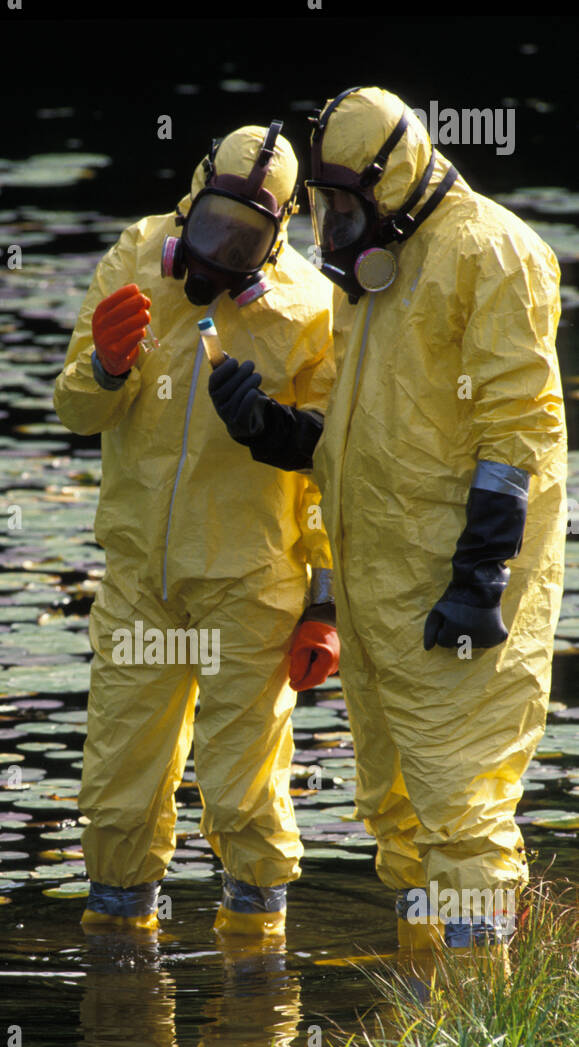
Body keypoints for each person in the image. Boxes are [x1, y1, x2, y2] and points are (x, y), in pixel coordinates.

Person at [206, 87, 567, 952]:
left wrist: (479, 579)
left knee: (461, 809)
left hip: (461, 592)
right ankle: (426, 1018)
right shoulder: (376, 272)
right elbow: (357, 438)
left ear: (389, 177)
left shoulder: (491, 253)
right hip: (382, 593)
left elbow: (518, 428)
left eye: (341, 202)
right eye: (322, 204)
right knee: (399, 815)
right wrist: (268, 429)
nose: (329, 223)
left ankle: (481, 1018)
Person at [54, 122, 339, 937]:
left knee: (243, 788)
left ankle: (257, 969)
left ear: (280, 232)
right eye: (210, 226)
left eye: (243, 239)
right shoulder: (139, 254)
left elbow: (331, 468)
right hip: (143, 580)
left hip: (249, 585)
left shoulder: (311, 308)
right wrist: (104, 369)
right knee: (119, 784)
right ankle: (118, 978)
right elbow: (74, 410)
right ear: (190, 200)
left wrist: (323, 601)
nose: (216, 255)